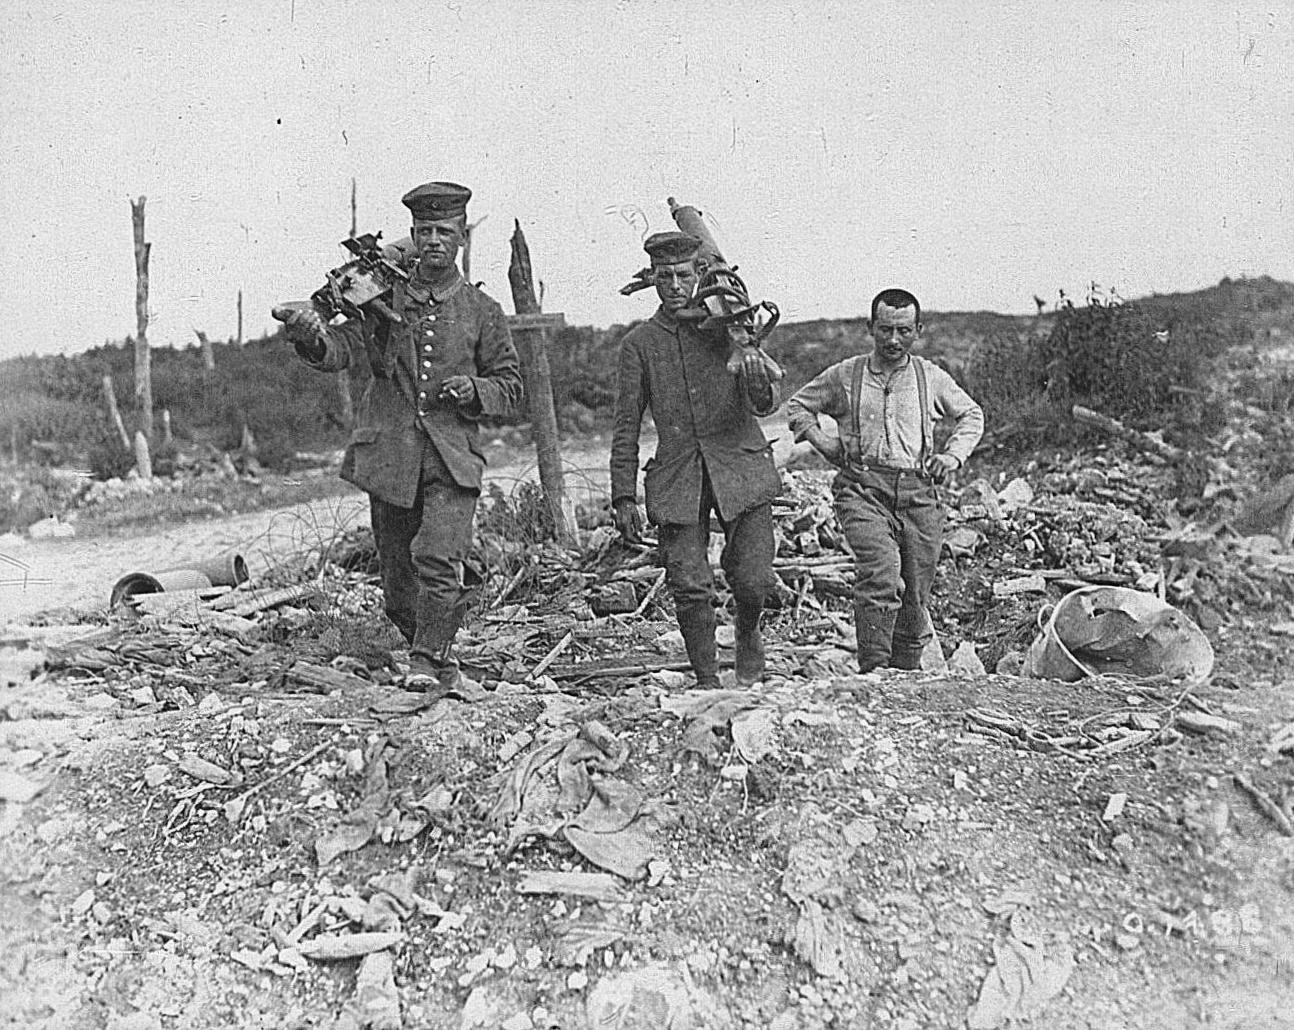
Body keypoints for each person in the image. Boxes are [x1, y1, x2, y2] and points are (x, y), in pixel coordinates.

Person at [279, 181, 523, 693]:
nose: (435, 240)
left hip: (452, 458)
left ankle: (427, 660)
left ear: (461, 239)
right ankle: (435, 652)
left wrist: (475, 389)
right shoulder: (380, 298)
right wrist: (310, 336)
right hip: (391, 455)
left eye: (446, 231)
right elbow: (342, 346)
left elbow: (510, 385)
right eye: (426, 231)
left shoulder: (483, 312)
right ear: (412, 235)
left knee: (437, 557)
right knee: (396, 589)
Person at [610, 231, 782, 688]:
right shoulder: (640, 344)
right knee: (688, 584)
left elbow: (764, 404)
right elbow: (626, 425)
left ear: (699, 273)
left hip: (740, 467)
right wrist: (622, 496)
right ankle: (706, 678)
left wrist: (753, 370)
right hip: (678, 475)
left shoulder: (731, 327)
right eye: (663, 277)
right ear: (652, 280)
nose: (674, 285)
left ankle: (748, 634)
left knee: (752, 578)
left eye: (683, 275)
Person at [786, 288, 984, 673]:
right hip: (863, 490)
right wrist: (822, 441)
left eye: (904, 331)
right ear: (871, 328)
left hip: (918, 494)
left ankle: (904, 677)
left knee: (915, 593)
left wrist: (952, 456)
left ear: (918, 330)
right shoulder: (847, 374)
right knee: (880, 574)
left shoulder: (930, 377)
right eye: (886, 330)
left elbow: (971, 414)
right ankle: (875, 672)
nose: (894, 340)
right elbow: (797, 405)